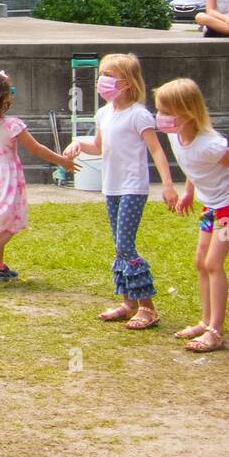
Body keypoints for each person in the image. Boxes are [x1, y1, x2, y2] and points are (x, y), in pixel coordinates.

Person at [63, 54, 178, 329]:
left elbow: (156, 150)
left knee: (126, 245)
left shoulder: (139, 114)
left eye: (108, 75)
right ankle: (128, 303)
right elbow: (99, 146)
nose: (102, 80)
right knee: (119, 246)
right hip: (111, 186)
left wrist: (169, 185)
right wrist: (78, 144)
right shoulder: (104, 113)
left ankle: (147, 307)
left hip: (132, 187)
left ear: (125, 83)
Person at [155, 77, 229, 353]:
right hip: (211, 204)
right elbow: (195, 168)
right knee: (200, 262)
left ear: (188, 112)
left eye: (167, 112)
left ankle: (216, 330)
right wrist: (189, 192)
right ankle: (205, 321)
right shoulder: (176, 135)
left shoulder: (211, 144)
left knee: (213, 263)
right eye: (159, 110)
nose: (161, 118)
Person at [0, 70, 77, 285]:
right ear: (3, 98)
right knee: (12, 223)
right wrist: (62, 161)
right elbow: (37, 148)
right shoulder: (12, 125)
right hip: (6, 178)